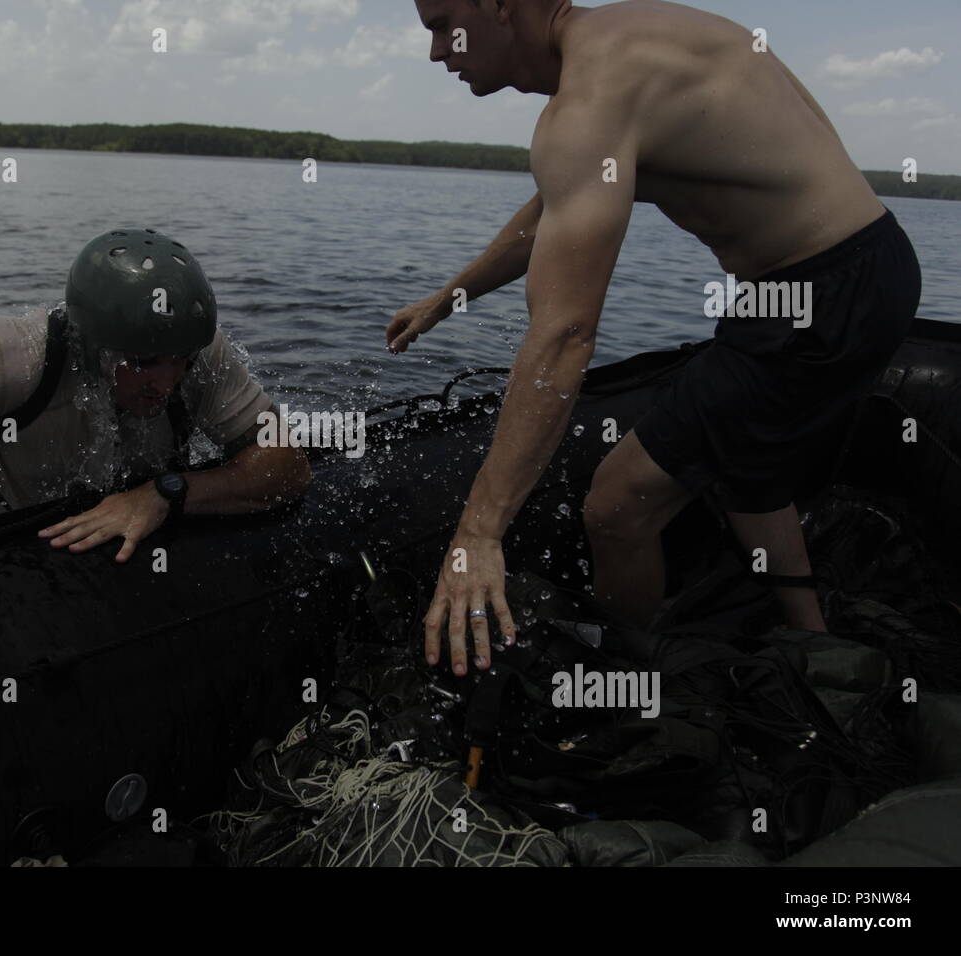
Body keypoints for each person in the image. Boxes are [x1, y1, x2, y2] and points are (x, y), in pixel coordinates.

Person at [391, 0, 921, 675]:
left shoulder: (592, 97)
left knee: (618, 507)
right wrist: (450, 296)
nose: (438, 51)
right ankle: (817, 644)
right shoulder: (627, 45)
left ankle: (631, 686)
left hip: (821, 296)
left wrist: (479, 532)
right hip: (864, 267)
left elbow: (565, 334)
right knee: (750, 469)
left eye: (442, 23)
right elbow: (557, 201)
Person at [0, 228, 311, 560]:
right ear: (98, 348)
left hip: (137, 527)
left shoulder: (196, 347)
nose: (168, 382)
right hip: (9, 543)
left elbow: (288, 464)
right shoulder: (16, 356)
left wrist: (167, 494)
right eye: (145, 365)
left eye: (183, 363)